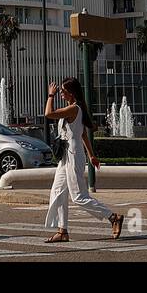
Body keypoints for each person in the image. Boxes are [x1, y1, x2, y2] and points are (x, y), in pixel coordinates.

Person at [42, 77, 123, 243]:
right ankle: (62, 231)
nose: (61, 94)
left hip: (73, 155)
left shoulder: (74, 109)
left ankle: (113, 217)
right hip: (66, 156)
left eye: (63, 92)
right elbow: (83, 133)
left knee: (78, 197)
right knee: (57, 193)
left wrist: (50, 96)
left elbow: (48, 114)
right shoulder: (74, 109)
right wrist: (91, 155)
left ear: (71, 93)